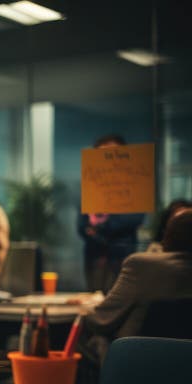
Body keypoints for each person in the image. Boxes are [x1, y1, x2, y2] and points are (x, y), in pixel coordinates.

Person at [80, 208, 192, 366]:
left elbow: (101, 320)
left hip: (137, 365)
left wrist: (82, 313)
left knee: (84, 336)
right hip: (185, 371)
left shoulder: (142, 266)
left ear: (168, 236)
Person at [77, 134, 145, 293]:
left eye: (114, 155)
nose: (108, 160)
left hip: (122, 256)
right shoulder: (90, 187)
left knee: (120, 298)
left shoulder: (133, 185)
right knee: (94, 299)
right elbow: (81, 224)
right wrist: (91, 231)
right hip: (94, 256)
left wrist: (99, 229)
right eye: (103, 156)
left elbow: (133, 218)